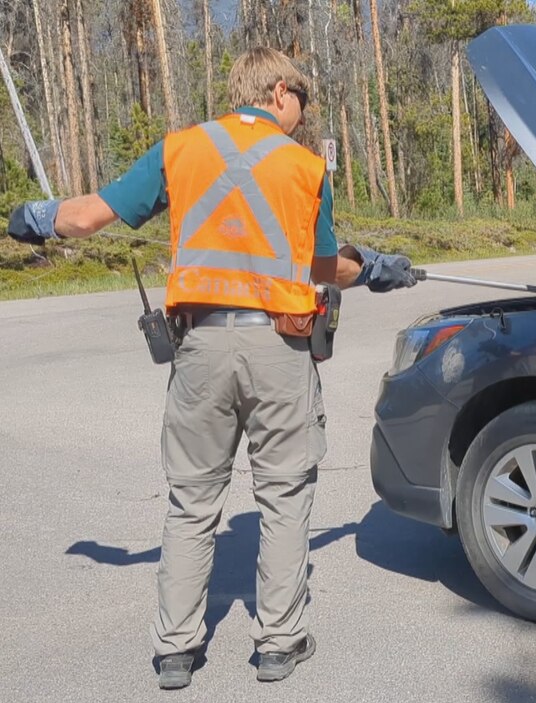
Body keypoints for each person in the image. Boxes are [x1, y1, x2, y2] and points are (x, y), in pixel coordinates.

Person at [7, 48, 416, 689]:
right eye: (301, 105)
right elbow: (321, 268)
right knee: (283, 497)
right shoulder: (307, 167)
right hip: (280, 350)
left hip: (198, 348)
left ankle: (175, 649)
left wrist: (32, 218)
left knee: (192, 503)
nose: (302, 121)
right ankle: (278, 643)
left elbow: (85, 217)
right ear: (280, 92)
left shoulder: (182, 150)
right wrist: (380, 269)